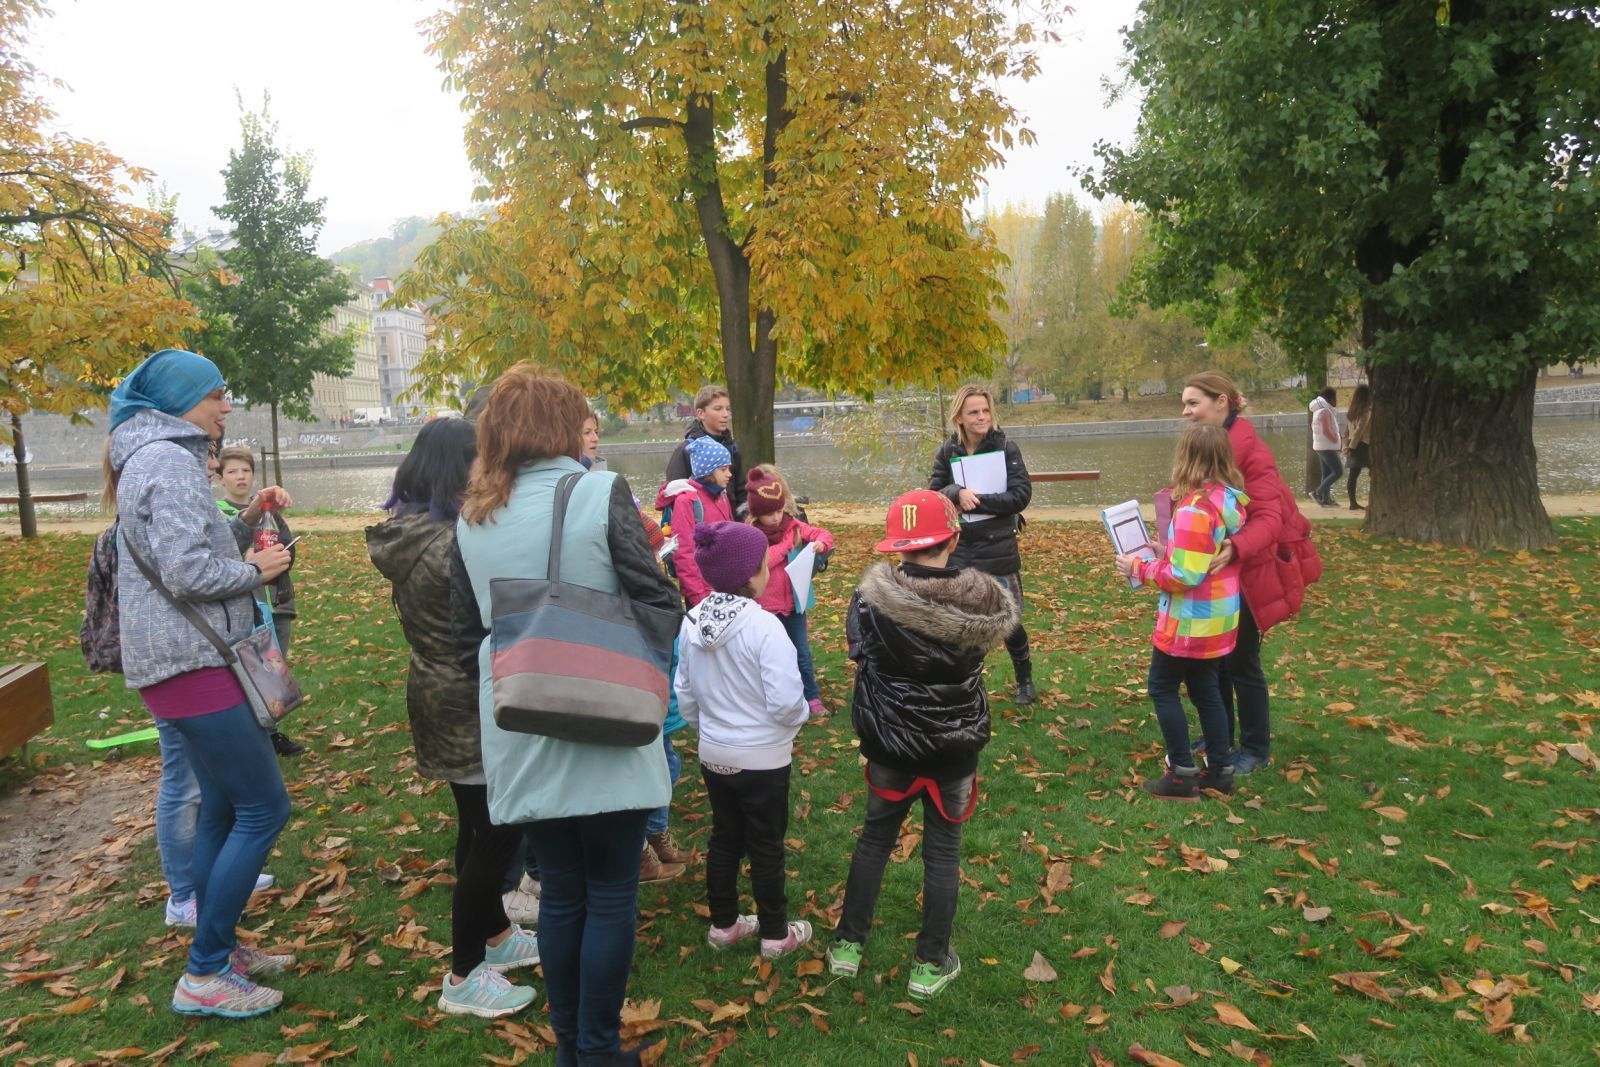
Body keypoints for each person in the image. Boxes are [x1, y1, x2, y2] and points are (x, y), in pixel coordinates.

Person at [454, 368, 682, 1067]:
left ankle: (570, 1050)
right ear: (564, 423)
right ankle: (598, 1048)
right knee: (611, 890)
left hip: (521, 719)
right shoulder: (597, 490)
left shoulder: (473, 511)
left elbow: (470, 632)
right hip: (603, 706)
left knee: (559, 890)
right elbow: (658, 604)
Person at [108, 348, 295, 1019]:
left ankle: (222, 946)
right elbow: (190, 572)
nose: (227, 405)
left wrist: (244, 524)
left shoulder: (153, 456)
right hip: (192, 662)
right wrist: (258, 572)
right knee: (265, 808)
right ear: (183, 398)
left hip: (182, 661)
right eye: (217, 393)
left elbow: (190, 545)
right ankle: (204, 971)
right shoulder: (169, 460)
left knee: (221, 806)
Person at [366, 418, 541, 1018]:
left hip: (438, 688)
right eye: (482, 458)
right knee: (496, 833)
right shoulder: (454, 542)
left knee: (476, 824)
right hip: (469, 692)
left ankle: (494, 936)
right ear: (459, 466)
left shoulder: (410, 531)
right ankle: (464, 974)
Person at [826, 490, 1017, 999]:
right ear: (954, 537)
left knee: (874, 840)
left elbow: (857, 651)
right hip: (954, 749)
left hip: (891, 744)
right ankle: (930, 962)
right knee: (943, 851)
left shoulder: (869, 597)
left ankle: (848, 944)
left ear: (897, 547)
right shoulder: (982, 600)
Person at [674, 521, 813, 960]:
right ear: (755, 573)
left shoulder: (691, 622)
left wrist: (706, 732)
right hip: (763, 759)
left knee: (725, 837)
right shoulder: (765, 627)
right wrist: (795, 722)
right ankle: (775, 933)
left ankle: (725, 924)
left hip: (715, 754)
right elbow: (787, 699)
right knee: (766, 843)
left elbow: (685, 691)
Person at [1180, 371, 1321, 775]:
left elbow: (1270, 517)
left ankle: (1256, 748)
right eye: (1185, 404)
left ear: (1221, 402)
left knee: (1242, 661)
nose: (1186, 412)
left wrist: (1236, 547)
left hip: (1248, 572)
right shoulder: (1210, 447)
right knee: (1213, 658)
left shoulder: (1251, 452)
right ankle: (1219, 734)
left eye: (1194, 403)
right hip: (1216, 573)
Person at [1115, 425, 1248, 800]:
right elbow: (1199, 556)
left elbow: (1184, 575)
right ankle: (1220, 769)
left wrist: (1139, 568)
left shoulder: (1194, 508)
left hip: (1191, 619)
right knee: (1206, 687)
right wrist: (1167, 551)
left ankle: (1181, 773)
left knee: (1162, 686)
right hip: (1219, 617)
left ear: (1186, 457)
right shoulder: (1229, 501)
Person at [928, 384, 1035, 704]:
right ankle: (965, 683)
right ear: (959, 416)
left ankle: (1025, 680)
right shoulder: (948, 451)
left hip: (998, 547)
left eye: (986, 411)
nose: (982, 417)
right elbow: (934, 493)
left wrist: (977, 501)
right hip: (959, 549)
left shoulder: (1006, 448)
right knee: (962, 620)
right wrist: (954, 493)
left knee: (1009, 617)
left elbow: (1021, 496)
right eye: (974, 412)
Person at [213, 445, 304, 758]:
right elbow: (214, 563)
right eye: (233, 471)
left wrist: (278, 559)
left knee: (274, 672)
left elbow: (288, 550)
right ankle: (255, 735)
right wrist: (248, 562)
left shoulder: (269, 512)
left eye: (245, 471)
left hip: (276, 603)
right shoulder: (218, 515)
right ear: (220, 478)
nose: (240, 476)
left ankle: (273, 732)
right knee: (249, 673)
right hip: (245, 611)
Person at [745, 465, 834, 719]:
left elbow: (822, 533)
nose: (775, 517)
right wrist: (786, 545)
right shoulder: (752, 534)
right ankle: (770, 698)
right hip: (764, 607)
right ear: (756, 513)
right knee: (769, 657)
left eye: (778, 510)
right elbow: (763, 561)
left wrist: (821, 543)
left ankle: (811, 696)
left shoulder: (793, 525)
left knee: (800, 652)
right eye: (768, 513)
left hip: (793, 604)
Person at [654, 436, 735, 607]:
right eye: (723, 469)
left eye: (729, 468)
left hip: (726, 587)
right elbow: (685, 554)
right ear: (707, 471)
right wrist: (699, 598)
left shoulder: (721, 495)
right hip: (703, 594)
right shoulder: (688, 501)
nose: (729, 474)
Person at [663, 385, 746, 516]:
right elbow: (674, 494)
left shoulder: (732, 448)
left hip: (731, 526)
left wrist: (742, 524)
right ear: (701, 413)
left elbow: (742, 492)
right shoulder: (685, 451)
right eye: (718, 409)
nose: (726, 415)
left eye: (727, 409)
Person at [1309, 386, 1343, 507]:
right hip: (1327, 447)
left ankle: (1325, 499)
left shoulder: (1320, 410)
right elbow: (1326, 430)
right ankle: (1317, 493)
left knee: (1327, 473)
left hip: (1321, 446)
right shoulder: (1324, 411)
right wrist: (1335, 439)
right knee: (1338, 471)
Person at [1343, 383, 1371, 510]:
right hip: (1363, 445)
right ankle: (1370, 501)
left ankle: (1353, 503)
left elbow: (1346, 432)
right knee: (1375, 471)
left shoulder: (1351, 412)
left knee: (1353, 475)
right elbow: (1360, 430)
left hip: (1352, 445)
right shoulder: (1366, 411)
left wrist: (1345, 446)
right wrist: (1351, 447)